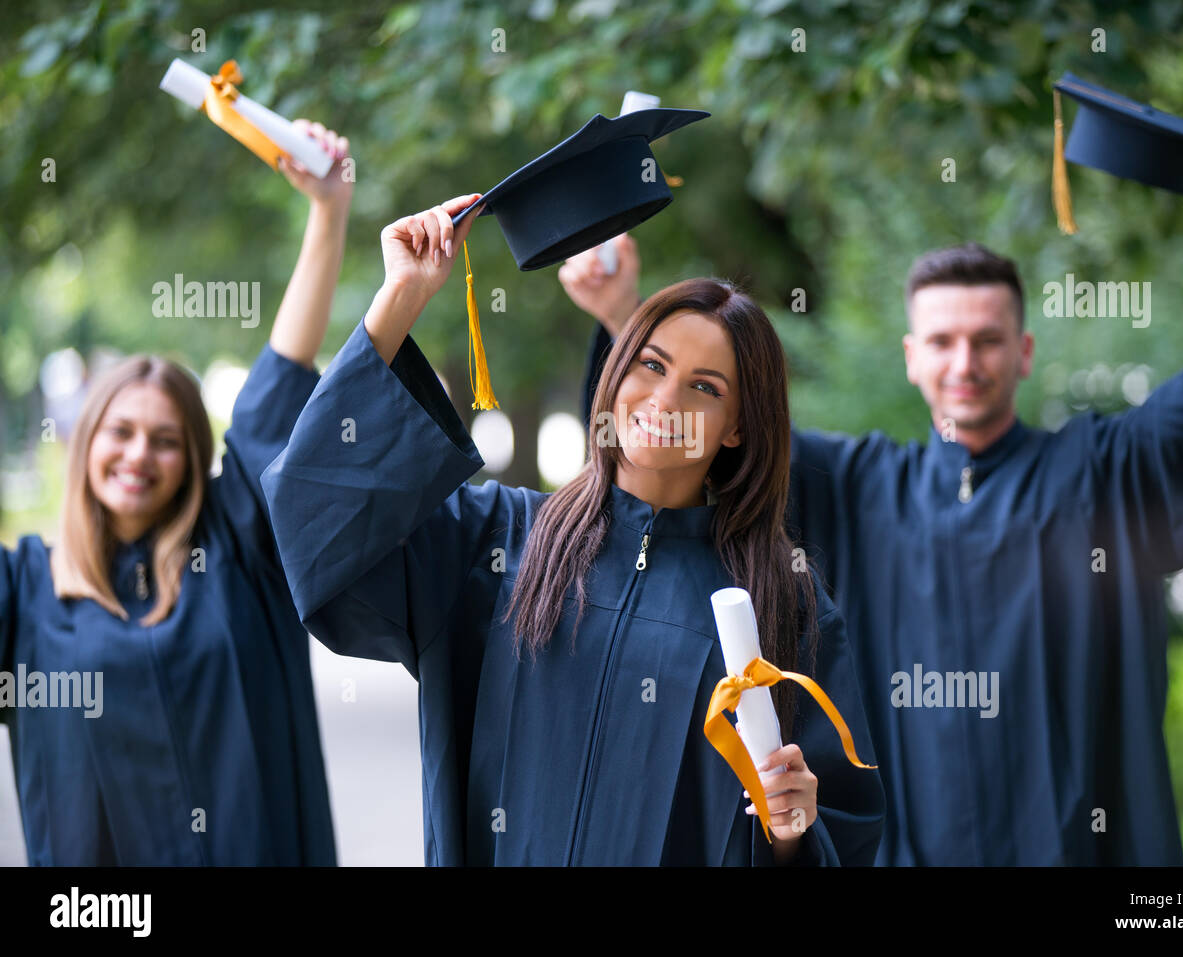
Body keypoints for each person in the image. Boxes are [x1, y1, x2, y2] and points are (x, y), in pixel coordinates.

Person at [562, 128, 1183, 864]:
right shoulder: (853, 490)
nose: (965, 362)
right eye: (943, 341)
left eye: (988, 340)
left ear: (1025, 352)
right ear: (913, 356)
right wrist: (624, 314)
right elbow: (717, 424)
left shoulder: (1102, 474)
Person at [261, 194, 885, 866]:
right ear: (616, 374)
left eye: (705, 387)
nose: (664, 400)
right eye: (651, 364)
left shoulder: (779, 602)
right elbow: (316, 517)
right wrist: (401, 297)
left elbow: (838, 834)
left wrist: (792, 830)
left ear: (737, 426)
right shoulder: (495, 541)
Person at [0, 121, 353, 865]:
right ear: (85, 440)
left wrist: (328, 210)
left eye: (165, 440)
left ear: (194, 457)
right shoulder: (23, 591)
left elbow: (281, 380)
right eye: (120, 432)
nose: (138, 455)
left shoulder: (239, 545)